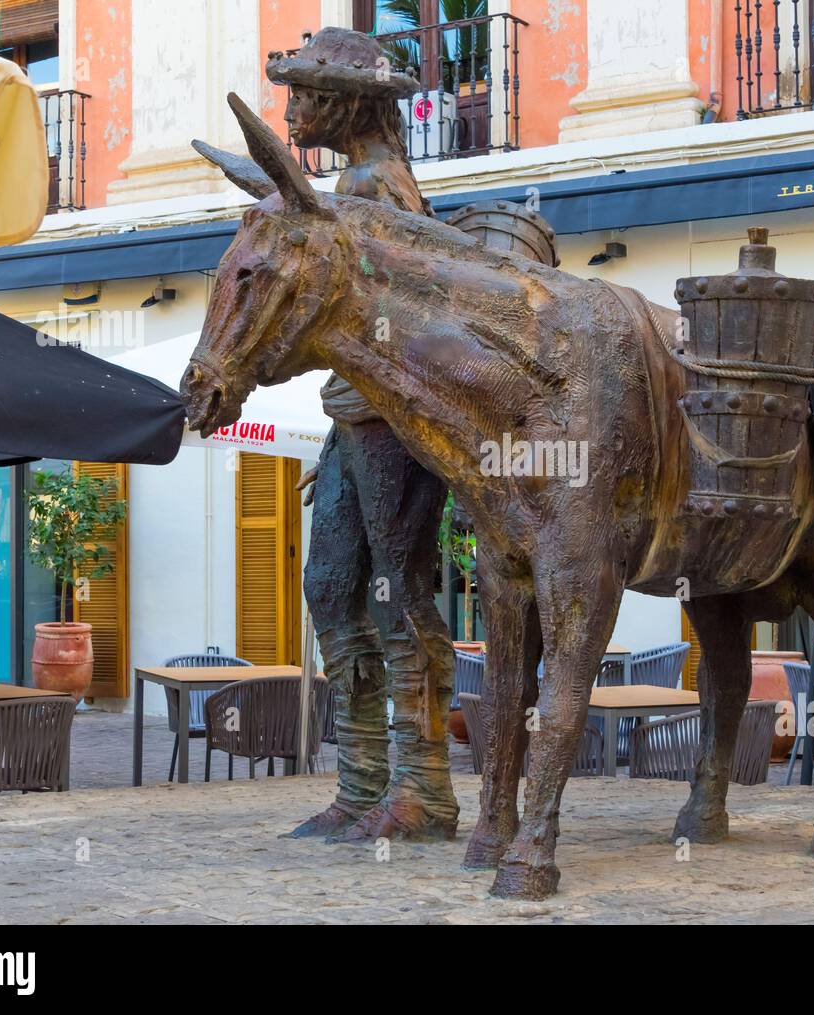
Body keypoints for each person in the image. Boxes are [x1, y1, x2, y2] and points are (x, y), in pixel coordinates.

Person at [268, 28, 456, 841]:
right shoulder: (354, 183)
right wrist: (332, 437)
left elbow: (407, 317)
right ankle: (363, 779)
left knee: (396, 596)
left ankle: (423, 788)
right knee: (330, 587)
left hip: (391, 424)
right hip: (353, 421)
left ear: (346, 103)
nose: (291, 112)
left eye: (304, 96)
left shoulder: (383, 188)